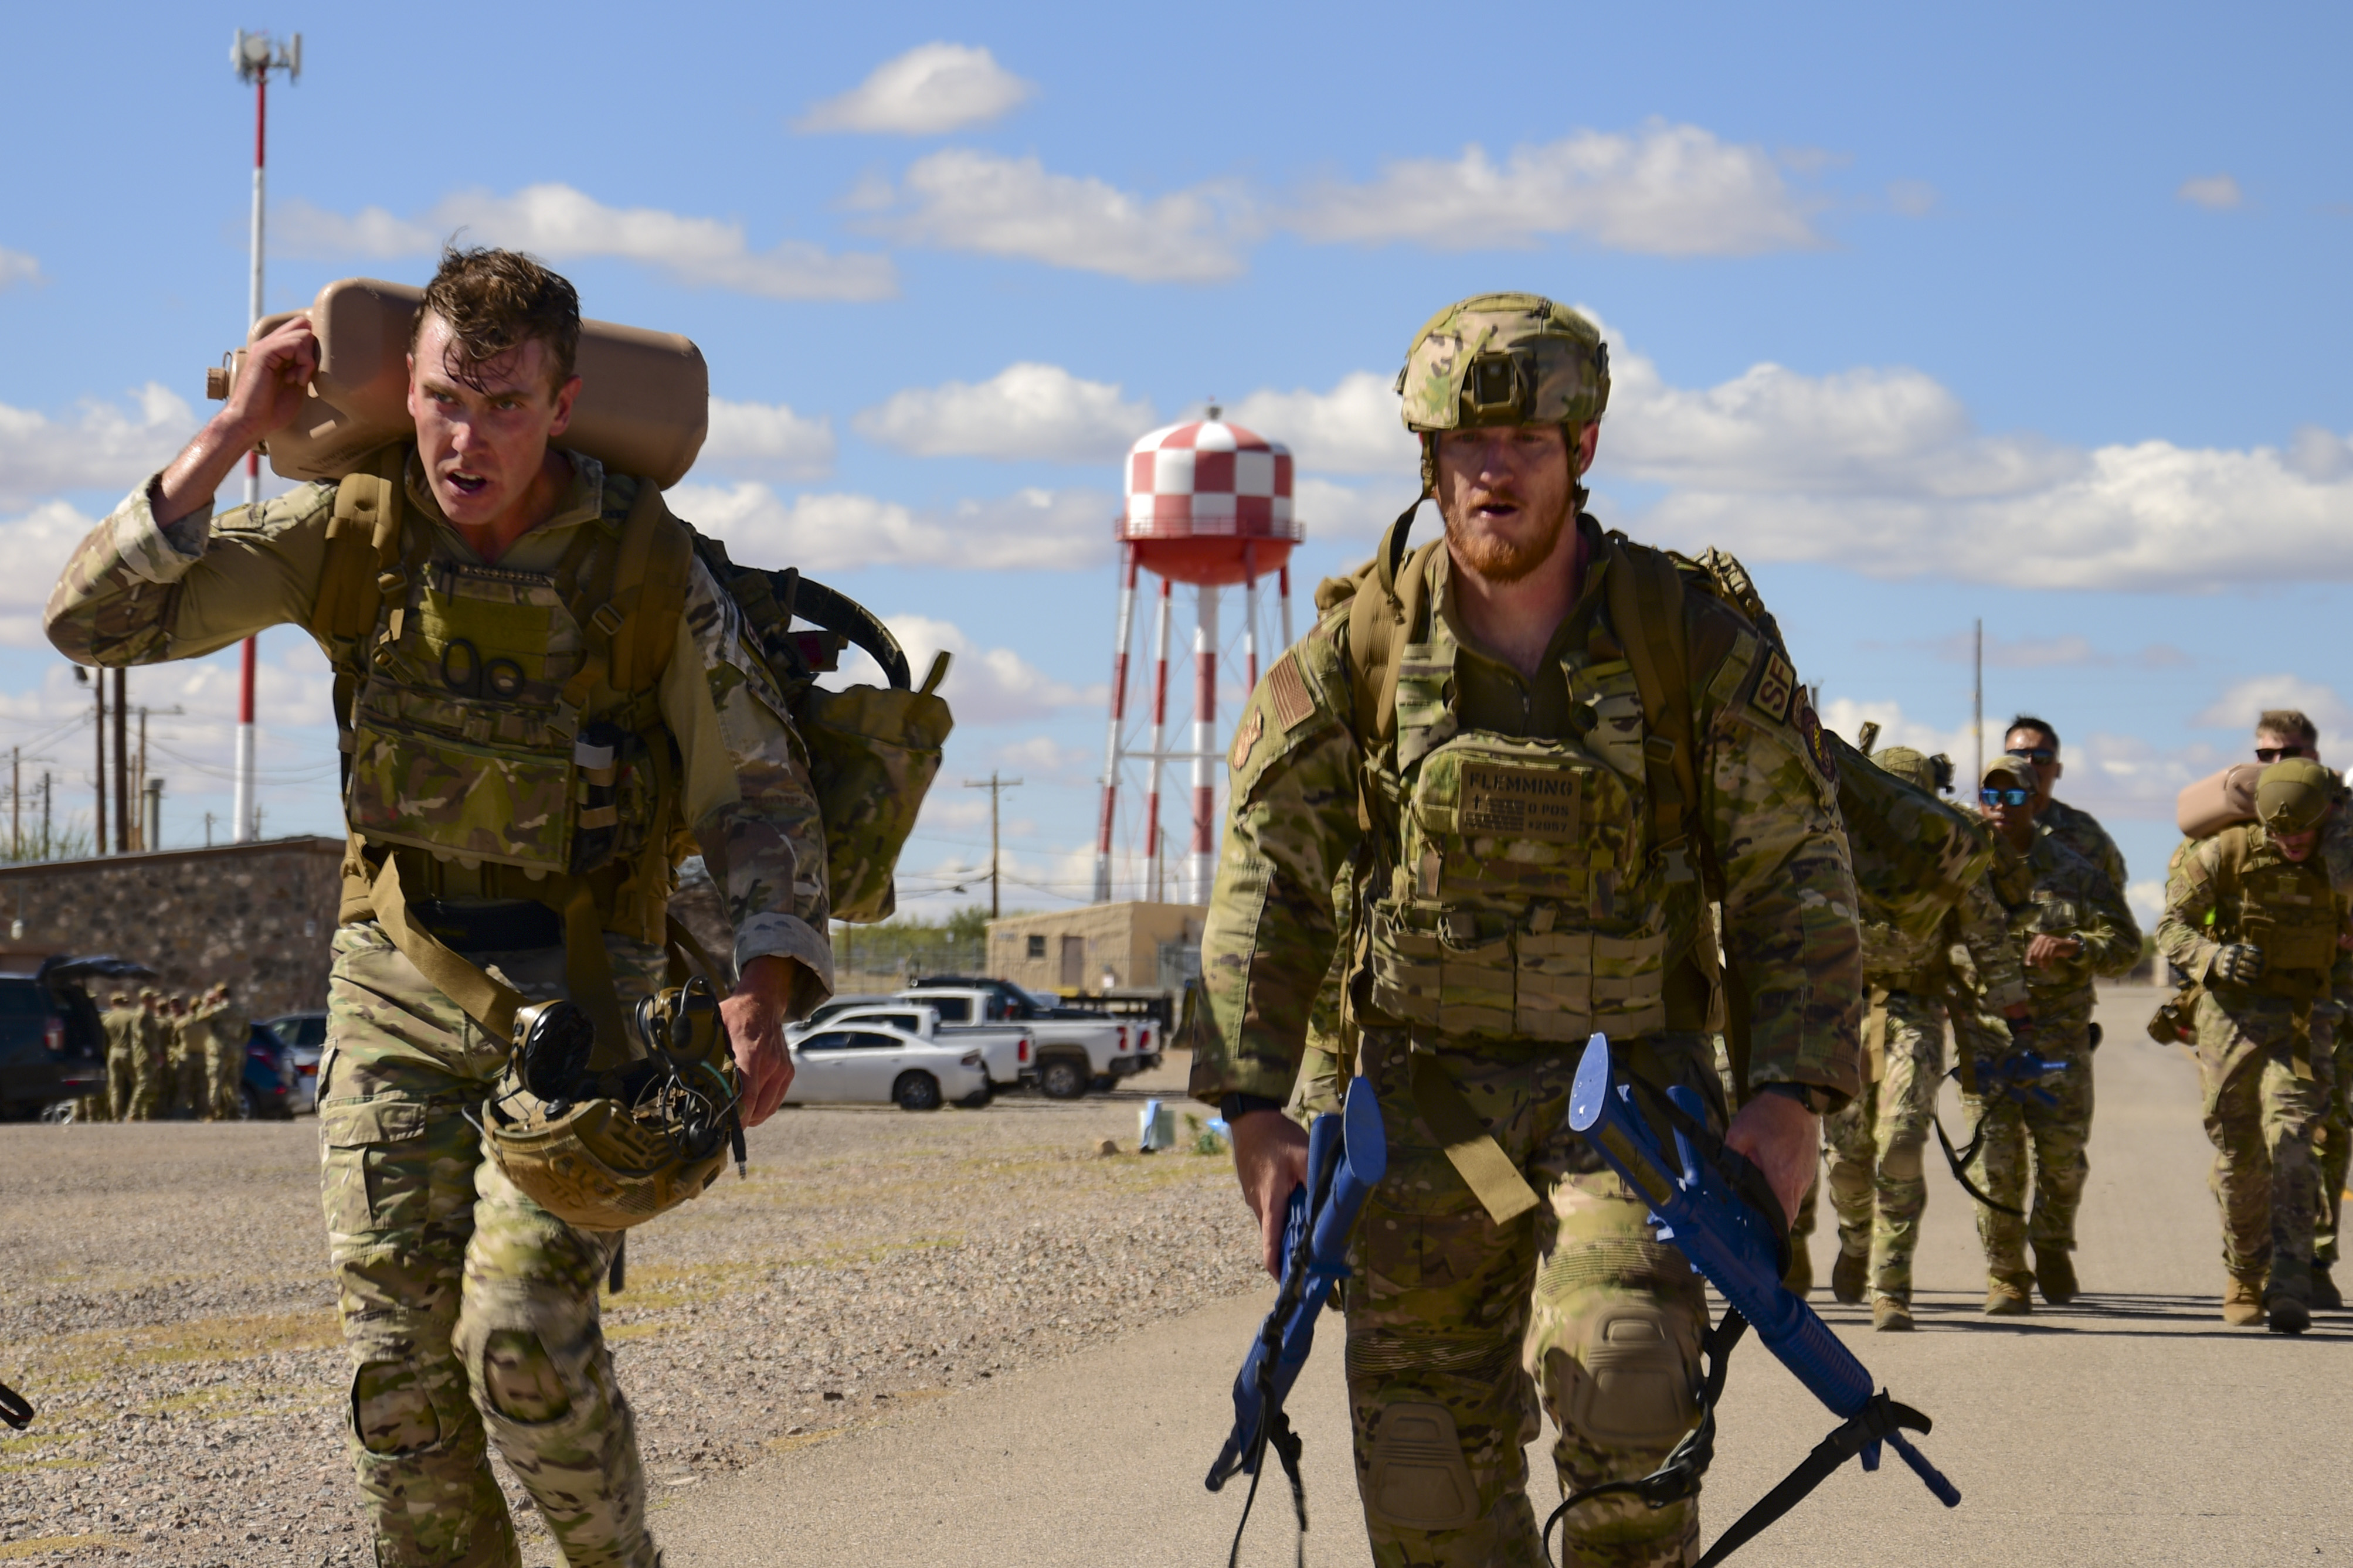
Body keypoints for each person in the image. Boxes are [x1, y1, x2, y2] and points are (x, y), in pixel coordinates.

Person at [45, 245, 831, 1568]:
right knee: (401, 1388)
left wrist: (761, 986)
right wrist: (236, 428)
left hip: (592, 1002)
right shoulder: (349, 532)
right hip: (397, 981)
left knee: (521, 1331)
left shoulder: (644, 571)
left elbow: (754, 788)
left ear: (563, 404)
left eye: (505, 405)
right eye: (443, 401)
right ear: (405, 389)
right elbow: (93, 619)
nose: (467, 439)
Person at [1195, 292, 1860, 1566]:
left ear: (1583, 448)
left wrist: (1790, 1092)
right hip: (1420, 1109)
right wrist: (1249, 1103)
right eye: (1462, 444)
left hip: (1625, 1102)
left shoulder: (1688, 642)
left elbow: (1791, 870)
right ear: (1427, 456)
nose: (1490, 470)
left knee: (1625, 1379)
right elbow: (1267, 876)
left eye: (1527, 443)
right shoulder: (1356, 653)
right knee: (1420, 1469)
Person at [1824, 747, 2031, 1331]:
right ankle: (1855, 1237)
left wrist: (2016, 1010)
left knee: (1903, 1138)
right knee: (1844, 1157)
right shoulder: (1830, 846)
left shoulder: (1944, 856)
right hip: (1840, 1012)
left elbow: (1986, 934)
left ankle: (1889, 1286)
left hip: (1913, 1009)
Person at [2155, 758, 2342, 1334]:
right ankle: (2242, 1272)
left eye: (2303, 833)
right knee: (2239, 1155)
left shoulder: (2341, 859)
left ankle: (2288, 1280)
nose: (2292, 843)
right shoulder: (2223, 853)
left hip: (2301, 1017)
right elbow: (2170, 927)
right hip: (2230, 1018)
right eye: (2282, 833)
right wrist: (2212, 958)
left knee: (2292, 1140)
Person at [1962, 754, 2137, 1313]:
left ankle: (2053, 1243)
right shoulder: (1964, 869)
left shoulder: (2074, 870)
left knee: (2062, 1163)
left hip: (2058, 1042)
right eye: (1990, 795)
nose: (1999, 807)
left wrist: (2075, 946)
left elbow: (2127, 945)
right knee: (1996, 1161)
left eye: (2013, 797)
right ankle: (2006, 1274)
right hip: (1988, 1039)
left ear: (2035, 801)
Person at [2250, 710, 2353, 1312]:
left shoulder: (2342, 817)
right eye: (2263, 753)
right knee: (2253, 1132)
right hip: (2259, 993)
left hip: (2334, 992)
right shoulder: (2249, 810)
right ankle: (2261, 1260)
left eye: (2286, 751)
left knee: (2329, 1124)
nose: (2275, 764)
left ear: (2313, 754)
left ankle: (2313, 1257)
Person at [2003, 716, 2132, 906]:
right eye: (2018, 755)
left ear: (2058, 769)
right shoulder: (1978, 832)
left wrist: (2079, 938)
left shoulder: (2087, 835)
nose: (2029, 764)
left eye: (2041, 758)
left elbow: (2113, 915)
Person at [204, 982, 250, 1121]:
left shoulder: (218, 1010)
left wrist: (208, 1003)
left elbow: (199, 1018)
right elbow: (247, 1033)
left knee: (216, 1083)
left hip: (219, 1052)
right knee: (233, 1084)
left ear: (219, 995)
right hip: (235, 1052)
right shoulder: (241, 1011)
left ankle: (212, 1113)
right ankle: (234, 1112)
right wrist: (239, 1044)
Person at [99, 989, 139, 1123]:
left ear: (112, 1003)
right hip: (130, 1053)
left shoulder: (106, 1018)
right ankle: (133, 1114)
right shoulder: (133, 1016)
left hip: (114, 1053)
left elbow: (104, 1041)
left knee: (116, 1088)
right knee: (136, 1084)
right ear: (125, 1002)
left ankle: (116, 1117)